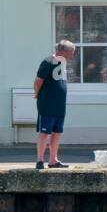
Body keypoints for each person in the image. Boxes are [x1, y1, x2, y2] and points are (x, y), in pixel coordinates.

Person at [33, 39, 75, 169]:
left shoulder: (62, 63)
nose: (72, 56)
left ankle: (53, 160)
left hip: (60, 105)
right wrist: (36, 93)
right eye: (71, 53)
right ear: (62, 51)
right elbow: (38, 80)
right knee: (44, 132)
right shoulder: (48, 62)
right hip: (47, 104)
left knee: (57, 132)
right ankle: (40, 160)